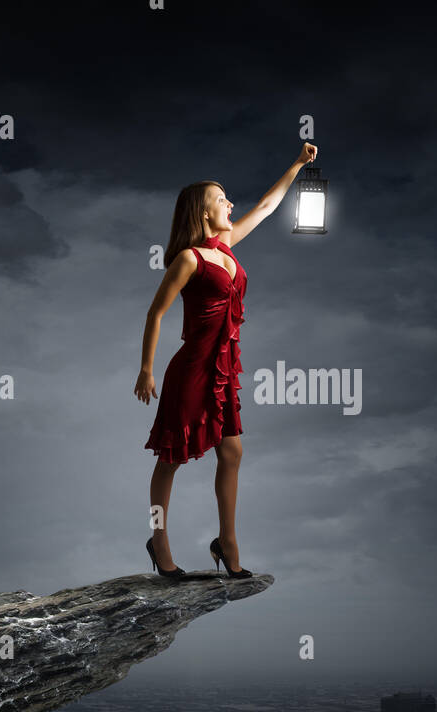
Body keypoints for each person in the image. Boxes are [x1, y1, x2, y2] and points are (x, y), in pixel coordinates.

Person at [135, 142, 319, 579]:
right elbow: (156, 312)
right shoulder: (189, 259)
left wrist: (296, 163)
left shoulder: (229, 244)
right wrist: (146, 368)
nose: (230, 203)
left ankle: (227, 541)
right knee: (170, 460)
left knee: (232, 452)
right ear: (203, 211)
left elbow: (269, 205)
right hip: (190, 370)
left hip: (221, 371)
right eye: (221, 199)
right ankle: (158, 540)